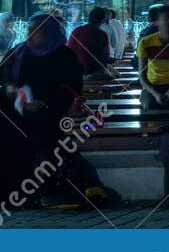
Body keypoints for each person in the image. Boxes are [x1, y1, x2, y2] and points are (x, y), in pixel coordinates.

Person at [4, 14, 116, 209]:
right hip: (16, 112)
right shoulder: (19, 52)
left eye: (36, 30)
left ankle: (43, 190)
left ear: (48, 32)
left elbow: (71, 89)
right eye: (29, 29)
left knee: (44, 140)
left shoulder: (64, 56)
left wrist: (41, 103)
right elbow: (4, 78)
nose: (30, 34)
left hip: (50, 113)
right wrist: (13, 92)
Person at [67, 7, 114, 76]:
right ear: (103, 19)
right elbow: (105, 58)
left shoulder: (76, 31)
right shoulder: (102, 34)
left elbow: (69, 51)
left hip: (76, 70)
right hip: (94, 72)